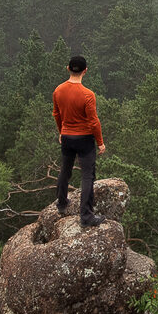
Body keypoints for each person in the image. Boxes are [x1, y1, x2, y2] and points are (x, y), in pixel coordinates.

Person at [52, 55, 106, 226]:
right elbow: (93, 121)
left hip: (67, 137)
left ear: (68, 68)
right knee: (87, 175)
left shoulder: (58, 90)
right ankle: (86, 216)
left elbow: (56, 114)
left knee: (65, 170)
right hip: (84, 139)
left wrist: (62, 131)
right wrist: (100, 142)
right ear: (85, 71)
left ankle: (61, 203)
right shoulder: (87, 95)